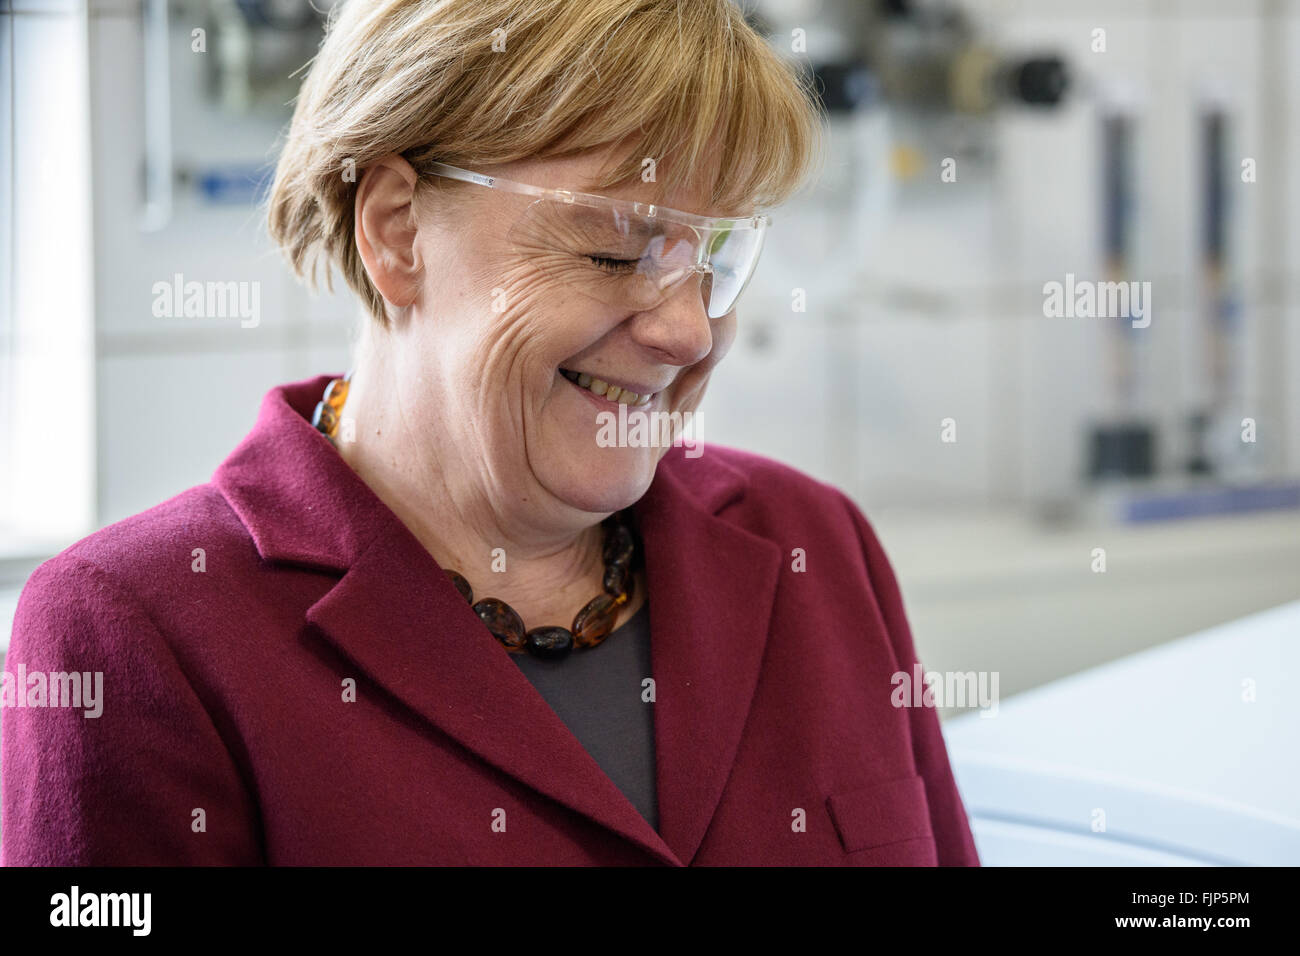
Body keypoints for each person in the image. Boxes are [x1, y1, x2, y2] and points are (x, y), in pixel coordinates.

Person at [1, 0, 978, 866]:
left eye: (720, 258)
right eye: (617, 247)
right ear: (397, 230)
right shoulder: (137, 630)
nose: (687, 329)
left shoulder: (812, 541)